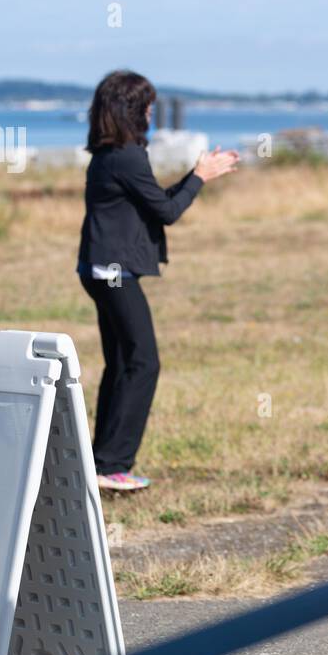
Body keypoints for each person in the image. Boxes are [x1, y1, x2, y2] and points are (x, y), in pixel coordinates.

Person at [76, 69, 239, 492]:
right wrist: (200, 177)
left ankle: (101, 463)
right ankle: (112, 464)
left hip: (100, 270)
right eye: (147, 106)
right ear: (132, 111)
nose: (151, 113)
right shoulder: (128, 156)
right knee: (143, 361)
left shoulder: (111, 155)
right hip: (112, 273)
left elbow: (156, 202)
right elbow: (167, 212)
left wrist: (198, 173)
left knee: (123, 363)